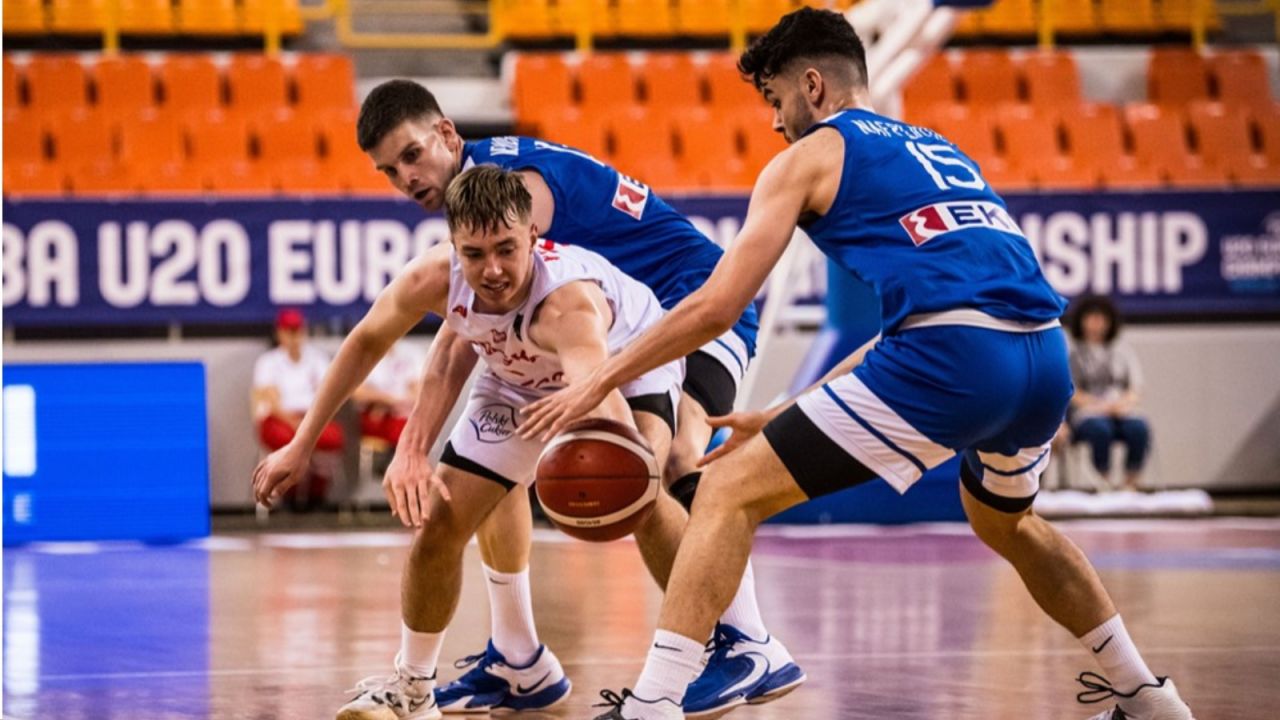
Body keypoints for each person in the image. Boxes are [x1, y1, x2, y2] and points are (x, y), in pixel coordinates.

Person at [520, 9, 1196, 720]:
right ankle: (1145, 695)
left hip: (952, 359)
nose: (776, 123)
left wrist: (599, 375)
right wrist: (784, 411)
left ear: (813, 86)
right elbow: (928, 318)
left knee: (725, 492)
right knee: (1008, 522)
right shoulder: (942, 149)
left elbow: (717, 306)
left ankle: (654, 703)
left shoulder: (808, 158)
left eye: (776, 100)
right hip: (1041, 355)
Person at [355, 80, 803, 715]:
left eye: (411, 156)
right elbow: (475, 325)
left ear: (448, 135)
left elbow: (465, 331)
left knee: (667, 461)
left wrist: (417, 438)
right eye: (389, 170)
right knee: (496, 449)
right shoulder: (485, 188)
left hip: (692, 300)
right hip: (614, 322)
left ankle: (747, 641)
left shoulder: (516, 194)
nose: (405, 178)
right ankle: (516, 655)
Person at [254, 165, 693, 719]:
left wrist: (610, 456)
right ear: (452, 245)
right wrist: (300, 444)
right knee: (440, 526)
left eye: (507, 249)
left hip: (626, 366)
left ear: (534, 233)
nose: (492, 270)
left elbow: (595, 387)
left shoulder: (568, 305)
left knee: (642, 495)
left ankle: (721, 643)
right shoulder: (433, 278)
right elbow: (366, 344)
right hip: (513, 379)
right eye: (475, 253)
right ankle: (412, 686)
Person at [251, 308, 344, 509]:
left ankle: (316, 496)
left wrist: (309, 423)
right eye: (289, 331)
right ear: (280, 333)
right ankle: (288, 495)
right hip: (280, 419)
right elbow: (271, 400)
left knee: (332, 438)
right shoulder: (268, 362)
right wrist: (296, 424)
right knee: (288, 441)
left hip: (310, 416)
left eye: (297, 331)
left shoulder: (317, 359)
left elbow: (327, 395)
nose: (294, 337)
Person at [1067, 295, 1151, 492]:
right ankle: (1102, 481)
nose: (1096, 323)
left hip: (1120, 410)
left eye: (1101, 318)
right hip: (1088, 413)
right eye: (1091, 317)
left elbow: (1135, 388)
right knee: (1100, 430)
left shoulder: (1123, 350)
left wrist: (1120, 405)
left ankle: (1131, 482)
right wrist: (1098, 406)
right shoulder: (1074, 354)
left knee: (1138, 428)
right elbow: (1071, 391)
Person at [355, 340, 425, 448]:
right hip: (378, 416)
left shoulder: (411, 352)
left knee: (418, 429)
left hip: (406, 413)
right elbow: (357, 393)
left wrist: (406, 403)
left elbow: (419, 388)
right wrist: (389, 401)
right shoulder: (364, 354)